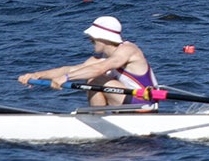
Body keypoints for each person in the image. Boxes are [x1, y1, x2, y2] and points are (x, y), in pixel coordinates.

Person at [17, 15, 157, 106]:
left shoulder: (129, 49)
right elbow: (70, 70)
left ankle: (97, 119)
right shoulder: (100, 60)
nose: (90, 40)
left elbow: (99, 70)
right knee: (89, 74)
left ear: (103, 37)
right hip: (128, 103)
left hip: (143, 102)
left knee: (95, 78)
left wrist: (65, 78)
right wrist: (37, 75)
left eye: (92, 37)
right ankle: (98, 118)